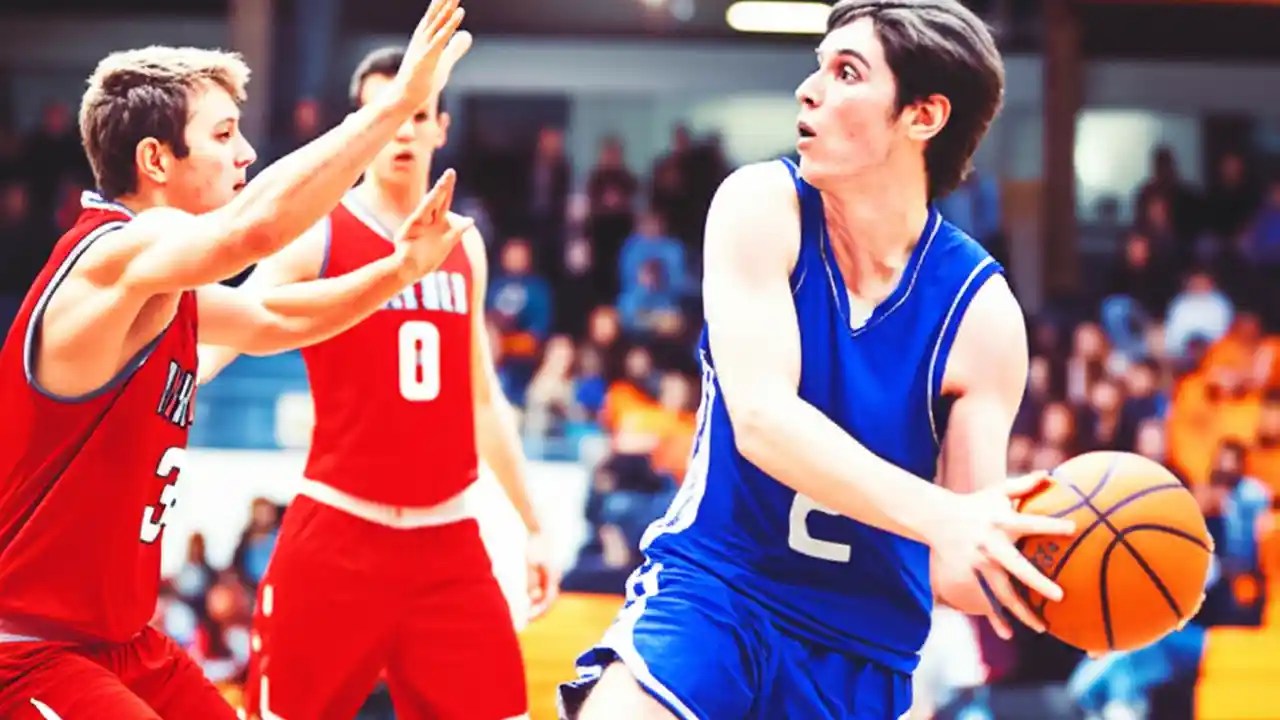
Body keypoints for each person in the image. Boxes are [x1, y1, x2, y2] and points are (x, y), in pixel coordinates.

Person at [559, 2, 1076, 719]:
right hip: (718, 592)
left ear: (922, 116)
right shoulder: (760, 204)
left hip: (860, 650)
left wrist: (1055, 565)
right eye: (818, 67)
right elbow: (764, 423)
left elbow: (958, 569)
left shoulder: (981, 316)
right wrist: (946, 516)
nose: (808, 89)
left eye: (846, 72)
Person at [0, 2, 469, 718]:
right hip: (25, 646)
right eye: (224, 134)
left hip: (122, 642)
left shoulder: (164, 291)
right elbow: (256, 230)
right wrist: (396, 105)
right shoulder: (110, 255)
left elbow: (278, 314)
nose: (246, 152)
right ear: (156, 159)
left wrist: (399, 270)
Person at [196, 43, 558, 720]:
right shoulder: (320, 233)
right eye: (386, 116)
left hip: (447, 541)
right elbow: (235, 327)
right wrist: (161, 372)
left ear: (440, 128)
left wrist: (534, 525)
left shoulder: (463, 241)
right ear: (361, 125)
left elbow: (481, 397)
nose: (402, 132)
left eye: (418, 115)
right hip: (340, 532)